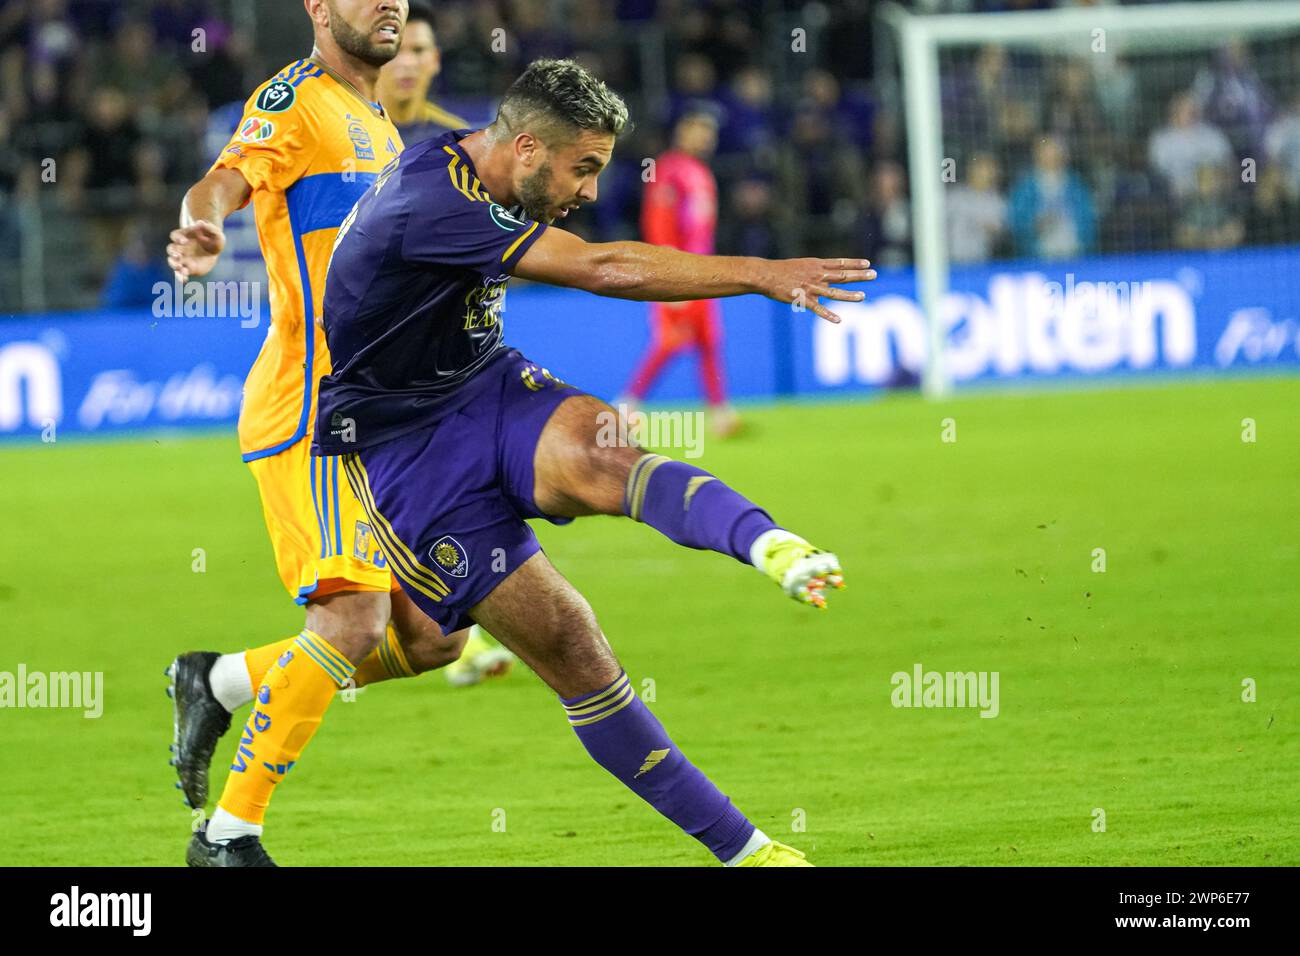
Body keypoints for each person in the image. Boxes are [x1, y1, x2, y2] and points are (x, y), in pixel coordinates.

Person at [313, 58, 874, 866]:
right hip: (404, 451)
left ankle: (769, 543)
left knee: (604, 453)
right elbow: (601, 266)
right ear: (531, 148)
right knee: (568, 645)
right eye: (585, 168)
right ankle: (747, 852)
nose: (588, 190)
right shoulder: (432, 203)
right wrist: (760, 274)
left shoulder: (467, 157)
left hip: (484, 387)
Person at [164, 0, 504, 869]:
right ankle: (227, 836)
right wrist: (204, 222)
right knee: (352, 614)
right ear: (318, 8)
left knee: (436, 633)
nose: (387, 4)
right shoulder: (296, 101)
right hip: (313, 409)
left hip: (383, 415)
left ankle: (222, 680)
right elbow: (226, 178)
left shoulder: (380, 126)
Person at [620, 109, 739, 437]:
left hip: (703, 270)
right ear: (683, 132)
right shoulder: (666, 169)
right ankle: (628, 404)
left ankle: (721, 413)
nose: (705, 138)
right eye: (699, 130)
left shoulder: (700, 170)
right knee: (671, 340)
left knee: (709, 340)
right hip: (679, 271)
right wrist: (667, 274)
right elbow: (658, 222)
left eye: (708, 132)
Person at [374, 0, 468, 145]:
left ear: (435, 60)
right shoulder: (347, 130)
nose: (407, 62)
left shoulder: (457, 140)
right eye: (396, 49)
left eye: (418, 50)